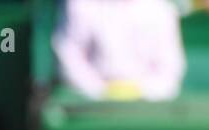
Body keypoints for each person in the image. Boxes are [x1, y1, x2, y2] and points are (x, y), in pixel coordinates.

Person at [53, 0, 186, 101]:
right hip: (89, 106)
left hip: (147, 109)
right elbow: (69, 55)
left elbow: (170, 70)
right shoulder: (80, 4)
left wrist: (141, 91)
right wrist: (101, 91)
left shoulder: (161, 10)